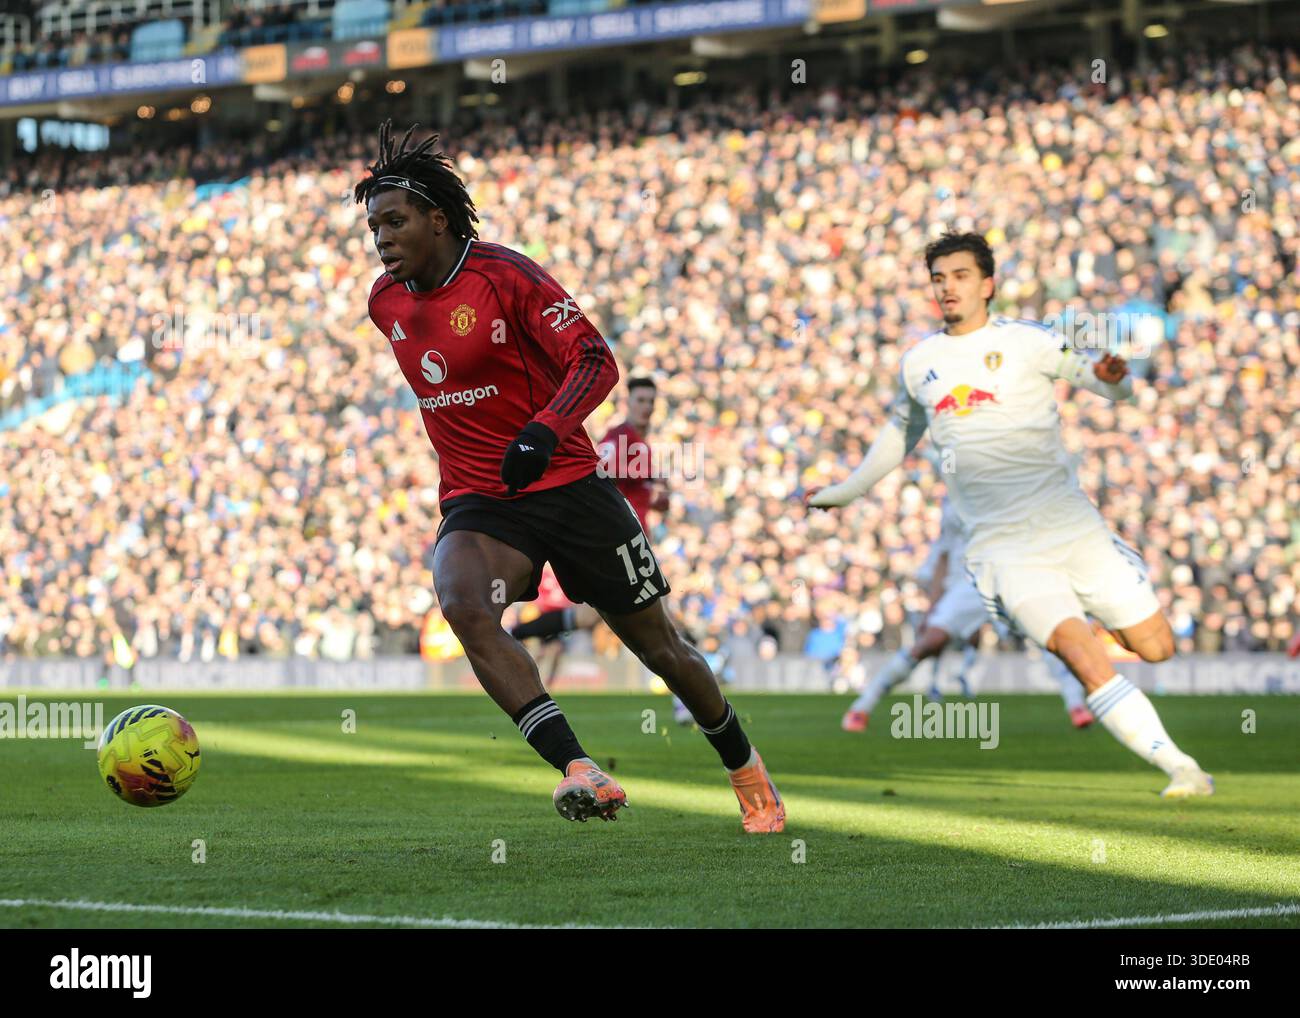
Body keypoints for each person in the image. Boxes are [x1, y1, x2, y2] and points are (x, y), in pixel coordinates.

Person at [358, 121, 784, 831]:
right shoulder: (385, 303)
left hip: (569, 487)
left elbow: (596, 360)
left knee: (662, 650)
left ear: (437, 219)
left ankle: (745, 767)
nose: (381, 238)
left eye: (394, 221)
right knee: (462, 600)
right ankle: (580, 768)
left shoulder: (506, 277)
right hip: (483, 499)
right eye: (373, 226)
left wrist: (542, 431)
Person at [808, 230, 1211, 798]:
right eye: (939, 279)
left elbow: (1101, 382)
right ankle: (1183, 769)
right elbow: (900, 434)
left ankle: (1103, 609)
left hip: (1069, 526)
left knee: (1156, 647)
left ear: (988, 284)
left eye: (961, 276)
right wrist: (848, 491)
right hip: (1001, 548)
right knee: (1079, 653)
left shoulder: (1029, 342)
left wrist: (1114, 382)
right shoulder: (920, 362)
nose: (948, 288)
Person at [842, 497, 1095, 731]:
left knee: (1049, 638)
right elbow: (943, 553)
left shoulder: (1014, 482)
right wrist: (933, 605)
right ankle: (862, 707)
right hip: (967, 584)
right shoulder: (954, 497)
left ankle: (1076, 705)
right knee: (930, 642)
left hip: (1012, 575)